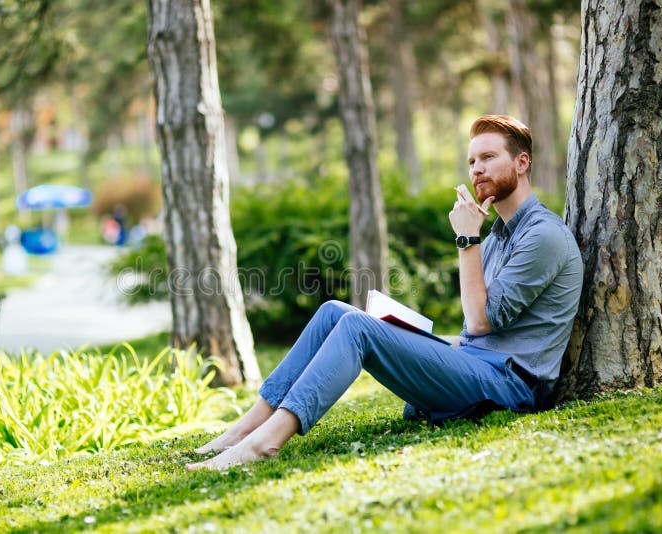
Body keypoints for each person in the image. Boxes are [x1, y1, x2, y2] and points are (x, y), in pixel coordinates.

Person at [187, 115, 583, 471]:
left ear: (522, 162)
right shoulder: (498, 234)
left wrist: (465, 238)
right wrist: (408, 332)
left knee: (358, 329)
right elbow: (474, 329)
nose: (477, 169)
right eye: (471, 161)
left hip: (509, 386)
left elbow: (480, 322)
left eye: (488, 157)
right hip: (477, 363)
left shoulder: (543, 235)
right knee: (333, 313)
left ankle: (264, 443)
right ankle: (243, 429)